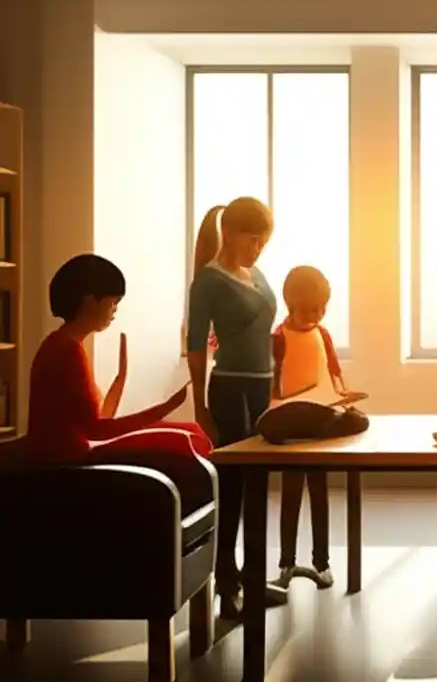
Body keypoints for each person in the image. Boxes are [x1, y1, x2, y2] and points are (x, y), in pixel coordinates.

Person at [22, 254, 209, 515]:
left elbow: (95, 419)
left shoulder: (62, 344)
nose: (115, 310)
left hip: (74, 452)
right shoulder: (65, 351)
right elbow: (96, 430)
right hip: (67, 462)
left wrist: (121, 379)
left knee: (189, 430)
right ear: (90, 301)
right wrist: (164, 408)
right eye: (113, 302)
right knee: (186, 439)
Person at [185, 196, 286, 619]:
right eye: (253, 238)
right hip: (229, 391)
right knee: (232, 487)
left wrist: (279, 391)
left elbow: (268, 337)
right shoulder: (208, 281)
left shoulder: (258, 274)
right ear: (230, 233)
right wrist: (200, 406)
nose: (259, 248)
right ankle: (225, 584)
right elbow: (195, 347)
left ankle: (252, 574)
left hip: (262, 390)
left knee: (259, 486)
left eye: (264, 241)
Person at [269, 265, 362, 591]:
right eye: (309, 309)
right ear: (290, 304)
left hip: (319, 421)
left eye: (321, 309)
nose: (316, 315)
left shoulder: (322, 334)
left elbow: (333, 372)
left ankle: (321, 562)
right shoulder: (279, 338)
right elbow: (274, 381)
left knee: (319, 494)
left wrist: (343, 396)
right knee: (291, 496)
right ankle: (286, 562)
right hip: (293, 424)